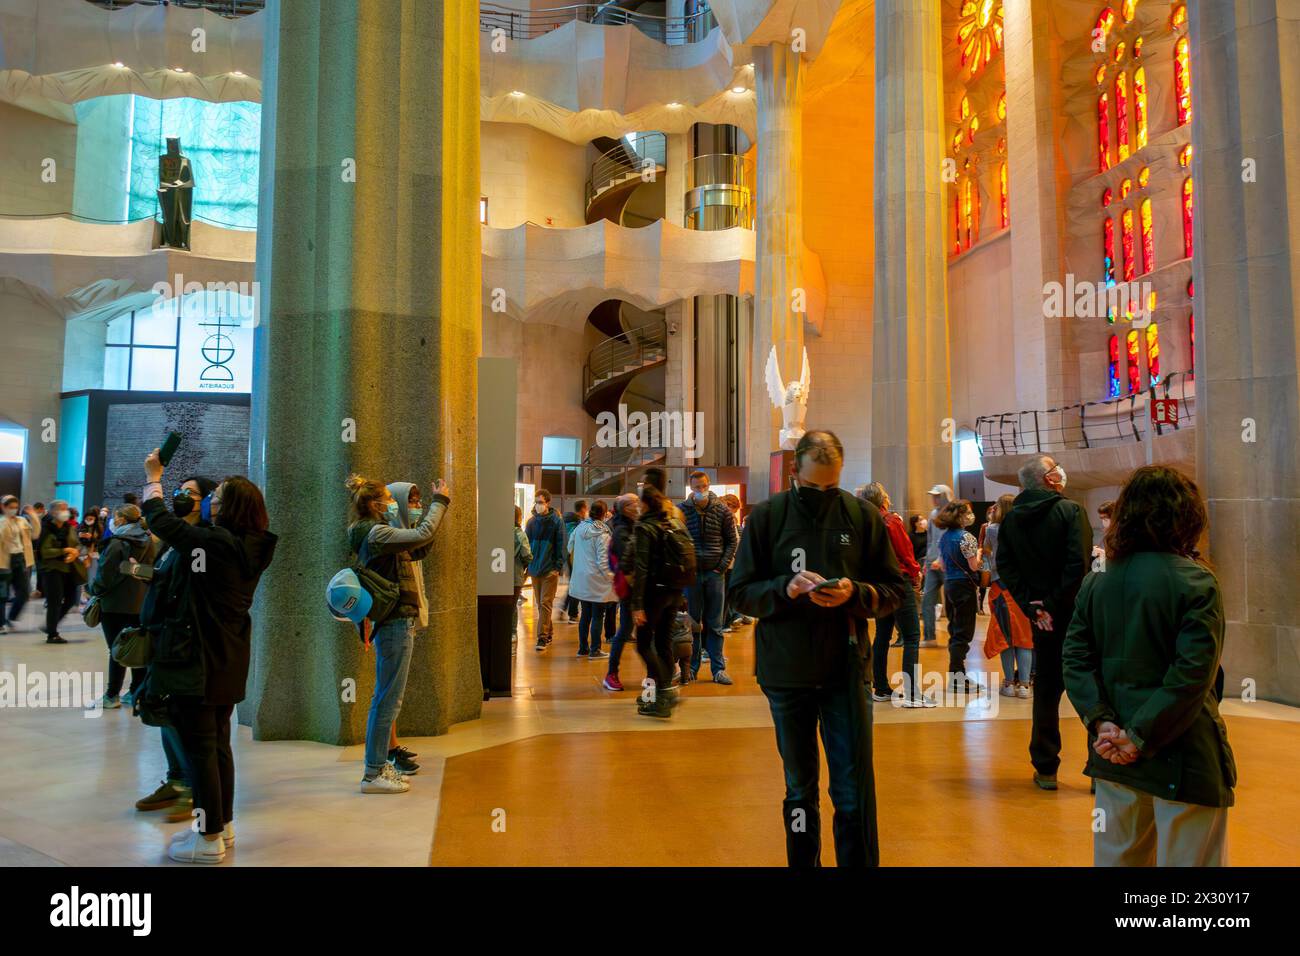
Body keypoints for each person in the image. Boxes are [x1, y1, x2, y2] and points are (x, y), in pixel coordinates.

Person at [729, 430, 907, 867]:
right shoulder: (768, 518)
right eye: (813, 487)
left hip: (845, 669)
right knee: (799, 788)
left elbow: (894, 590)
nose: (823, 495)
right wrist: (783, 588)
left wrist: (857, 593)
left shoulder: (862, 516)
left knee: (853, 789)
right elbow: (739, 593)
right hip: (785, 671)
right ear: (794, 473)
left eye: (831, 486)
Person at [1063, 466, 1234, 866]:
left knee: (1117, 859)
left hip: (1111, 752)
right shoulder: (1196, 582)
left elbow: (1075, 658)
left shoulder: (1097, 580)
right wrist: (1138, 737)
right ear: (1188, 517)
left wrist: (1104, 724)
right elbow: (1191, 676)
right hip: (1183, 751)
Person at [141, 452, 277, 863]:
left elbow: (162, 522)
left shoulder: (217, 544)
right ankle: (223, 826)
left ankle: (207, 838)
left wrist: (154, 479)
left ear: (229, 508)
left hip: (198, 661)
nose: (208, 503)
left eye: (215, 498)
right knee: (217, 746)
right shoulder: (248, 545)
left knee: (201, 751)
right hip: (227, 659)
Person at [345, 475, 450, 794]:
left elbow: (417, 546)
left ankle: (378, 765)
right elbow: (421, 532)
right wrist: (441, 501)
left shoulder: (378, 533)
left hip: (394, 621)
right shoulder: (376, 532)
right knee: (388, 697)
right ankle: (373, 771)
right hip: (393, 622)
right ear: (376, 504)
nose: (395, 504)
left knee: (387, 695)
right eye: (389, 499)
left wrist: (425, 527)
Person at [996, 455, 1092, 791]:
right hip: (1076, 617)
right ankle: (1099, 767)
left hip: (1041, 619)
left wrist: (1033, 606)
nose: (1061, 471)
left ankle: (1046, 767)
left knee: (1047, 690)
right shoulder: (1071, 512)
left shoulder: (1011, 520)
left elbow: (1005, 566)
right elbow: (1078, 565)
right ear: (1049, 479)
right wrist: (1054, 604)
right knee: (1090, 687)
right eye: (1056, 468)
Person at [858, 483, 932, 707]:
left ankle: (880, 687)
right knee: (911, 637)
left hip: (879, 586)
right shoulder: (891, 521)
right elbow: (905, 552)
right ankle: (911, 693)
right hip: (899, 583)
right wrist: (915, 573)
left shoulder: (864, 523)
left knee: (882, 636)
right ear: (883, 499)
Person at [626, 483, 688, 718]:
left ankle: (665, 692)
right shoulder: (674, 522)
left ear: (645, 503)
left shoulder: (645, 527)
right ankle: (659, 698)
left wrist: (637, 605)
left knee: (643, 645)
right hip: (674, 592)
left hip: (654, 594)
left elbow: (641, 568)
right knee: (663, 644)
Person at [90, 503, 155, 708]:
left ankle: (112, 695)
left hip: (115, 604)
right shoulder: (149, 541)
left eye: (116, 517)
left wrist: (93, 590)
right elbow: (151, 571)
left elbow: (104, 576)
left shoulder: (116, 543)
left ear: (122, 520)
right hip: (141, 602)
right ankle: (135, 691)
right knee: (138, 648)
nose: (113, 521)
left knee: (117, 649)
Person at [681, 470, 739, 685]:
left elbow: (732, 541)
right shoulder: (681, 511)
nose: (700, 491)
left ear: (708, 485)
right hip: (693, 576)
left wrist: (721, 567)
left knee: (715, 624)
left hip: (715, 574)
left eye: (703, 486)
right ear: (691, 487)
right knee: (693, 624)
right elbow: (678, 542)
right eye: (696, 487)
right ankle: (691, 668)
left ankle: (718, 669)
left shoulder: (722, 510)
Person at [982, 495, 1033, 699]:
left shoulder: (992, 529)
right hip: (1023, 589)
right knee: (1025, 639)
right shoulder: (1026, 528)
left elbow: (986, 551)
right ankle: (1025, 685)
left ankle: (1009, 683)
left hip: (1000, 586)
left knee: (1005, 639)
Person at [933, 499, 984, 692]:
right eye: (968, 512)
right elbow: (973, 566)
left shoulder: (944, 537)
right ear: (961, 515)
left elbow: (942, 565)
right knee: (964, 633)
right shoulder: (966, 537)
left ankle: (957, 674)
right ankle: (957, 678)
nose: (971, 515)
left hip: (949, 585)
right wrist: (980, 554)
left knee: (955, 630)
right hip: (964, 586)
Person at [568, 500, 616, 659]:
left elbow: (569, 548)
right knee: (598, 615)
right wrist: (612, 578)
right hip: (597, 581)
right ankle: (595, 650)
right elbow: (603, 562)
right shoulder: (603, 534)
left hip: (581, 579)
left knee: (585, 615)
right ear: (605, 513)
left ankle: (583, 649)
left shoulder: (579, 528)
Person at [602, 493, 639, 691]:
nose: (639, 505)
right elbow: (629, 562)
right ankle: (611, 673)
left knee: (633, 631)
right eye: (635, 503)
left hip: (637, 588)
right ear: (626, 508)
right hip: (630, 589)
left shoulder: (632, 526)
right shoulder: (621, 531)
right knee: (625, 630)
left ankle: (655, 674)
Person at [526, 489, 567, 651]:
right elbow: (527, 546)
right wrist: (528, 565)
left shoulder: (556, 521)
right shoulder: (531, 522)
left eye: (541, 502)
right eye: (536, 502)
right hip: (534, 569)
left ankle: (542, 637)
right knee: (540, 604)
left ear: (548, 503)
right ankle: (548, 632)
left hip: (550, 570)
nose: (538, 505)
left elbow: (562, 545)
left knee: (545, 603)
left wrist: (557, 567)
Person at [37, 500, 82, 644]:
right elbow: (45, 552)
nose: (65, 511)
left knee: (71, 599)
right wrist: (64, 550)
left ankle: (51, 625)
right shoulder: (46, 529)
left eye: (66, 508)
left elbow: (77, 544)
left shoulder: (69, 527)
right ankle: (52, 634)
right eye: (62, 509)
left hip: (68, 568)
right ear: (53, 512)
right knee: (54, 602)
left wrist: (75, 552)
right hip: (52, 569)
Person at [919, 484, 952, 647]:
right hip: (932, 564)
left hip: (948, 565)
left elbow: (947, 540)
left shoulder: (951, 515)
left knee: (951, 601)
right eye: (933, 496)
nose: (934, 499)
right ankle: (929, 637)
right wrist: (927, 562)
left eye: (937, 496)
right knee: (927, 600)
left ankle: (956, 637)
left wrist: (941, 559)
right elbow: (931, 540)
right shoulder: (933, 514)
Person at [0, 495, 35, 633]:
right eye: (10, 507)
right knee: (2, 594)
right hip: (3, 561)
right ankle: (1, 623)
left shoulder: (21, 520)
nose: (14, 510)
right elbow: (4, 537)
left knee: (25, 592)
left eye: (16, 507)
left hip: (19, 558)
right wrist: (7, 520)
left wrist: (33, 516)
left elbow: (35, 534)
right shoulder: (2, 522)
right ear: (4, 507)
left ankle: (11, 617)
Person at [562, 499, 588, 622]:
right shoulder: (577, 523)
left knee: (573, 584)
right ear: (582, 509)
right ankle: (572, 614)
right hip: (575, 557)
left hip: (568, 556)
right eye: (586, 508)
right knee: (576, 584)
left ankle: (565, 608)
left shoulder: (566, 521)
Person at [512, 505, 531, 648]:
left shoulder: (496, 532)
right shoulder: (519, 534)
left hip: (498, 574)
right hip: (515, 575)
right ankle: (512, 633)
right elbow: (526, 554)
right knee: (512, 606)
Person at [1091, 500, 1114, 573]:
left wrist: (1103, 554)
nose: (1103, 521)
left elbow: (1119, 562)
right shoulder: (1106, 534)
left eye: (1105, 518)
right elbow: (1099, 568)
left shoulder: (1120, 536)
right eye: (1101, 518)